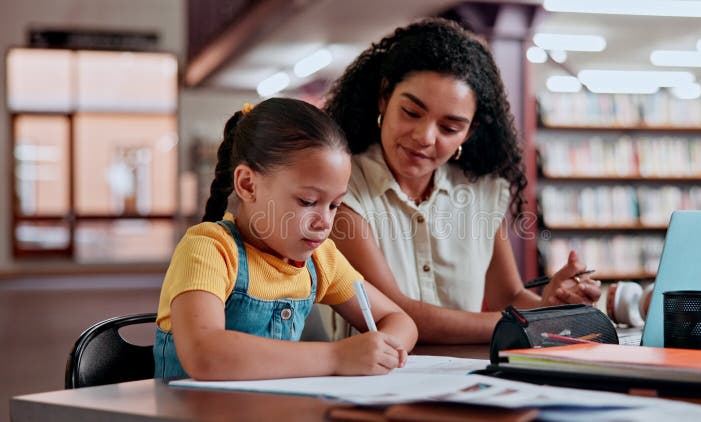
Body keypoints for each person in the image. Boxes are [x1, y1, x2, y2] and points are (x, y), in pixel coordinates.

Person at [325, 18, 601, 344]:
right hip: (370, 380)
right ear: (384, 97)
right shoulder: (340, 184)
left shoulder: (481, 189)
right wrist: (531, 322)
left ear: (469, 133)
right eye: (412, 113)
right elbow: (394, 312)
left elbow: (508, 295)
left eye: (450, 127)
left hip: (466, 374)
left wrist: (551, 306)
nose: (425, 137)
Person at [153, 98, 417, 380]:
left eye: (334, 205)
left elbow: (401, 321)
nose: (324, 222)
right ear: (247, 184)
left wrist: (383, 349)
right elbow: (205, 355)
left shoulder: (321, 259)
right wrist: (337, 356)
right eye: (307, 201)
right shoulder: (209, 249)